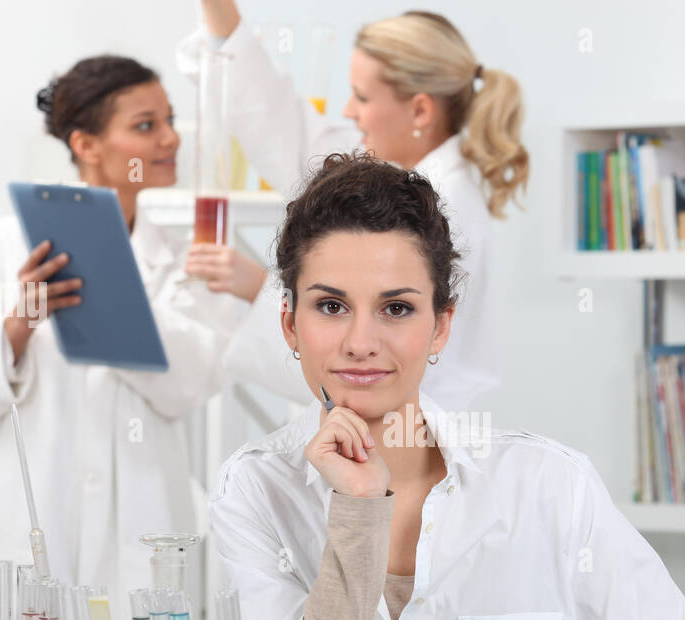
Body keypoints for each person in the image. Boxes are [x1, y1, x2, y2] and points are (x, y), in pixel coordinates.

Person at [208, 153, 685, 620]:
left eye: (397, 308)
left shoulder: (548, 484)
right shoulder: (254, 490)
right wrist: (357, 514)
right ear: (290, 325)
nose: (360, 341)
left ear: (440, 328)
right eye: (330, 306)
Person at [0, 55, 260, 620]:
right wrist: (14, 326)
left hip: (142, 538)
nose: (170, 140)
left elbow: (194, 383)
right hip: (31, 533)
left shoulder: (186, 263)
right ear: (86, 144)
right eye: (146, 124)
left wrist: (113, 303)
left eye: (170, 121)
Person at [178, 0, 528, 408]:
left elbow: (385, 344)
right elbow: (289, 133)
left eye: (361, 97)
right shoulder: (399, 174)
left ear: (419, 110)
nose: (348, 112)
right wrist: (221, 16)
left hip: (411, 437)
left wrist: (262, 287)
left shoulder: (447, 204)